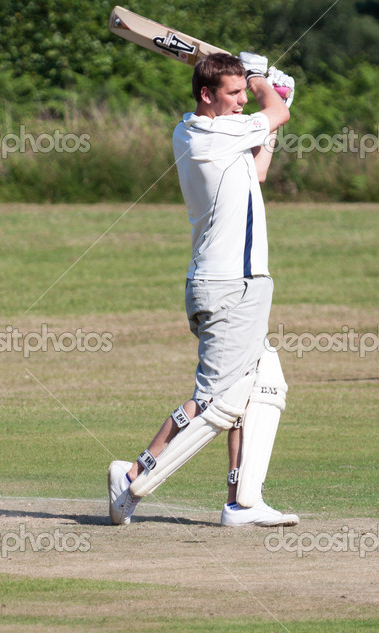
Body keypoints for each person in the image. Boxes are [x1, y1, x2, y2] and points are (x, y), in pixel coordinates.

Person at [108, 52, 299, 527]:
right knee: (219, 400)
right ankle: (132, 475)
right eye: (231, 95)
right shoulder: (204, 132)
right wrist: (263, 84)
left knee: (262, 387)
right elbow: (277, 113)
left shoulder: (219, 133)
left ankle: (242, 502)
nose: (240, 103)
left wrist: (267, 97)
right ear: (206, 95)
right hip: (225, 284)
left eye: (242, 94)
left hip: (246, 281)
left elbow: (257, 171)